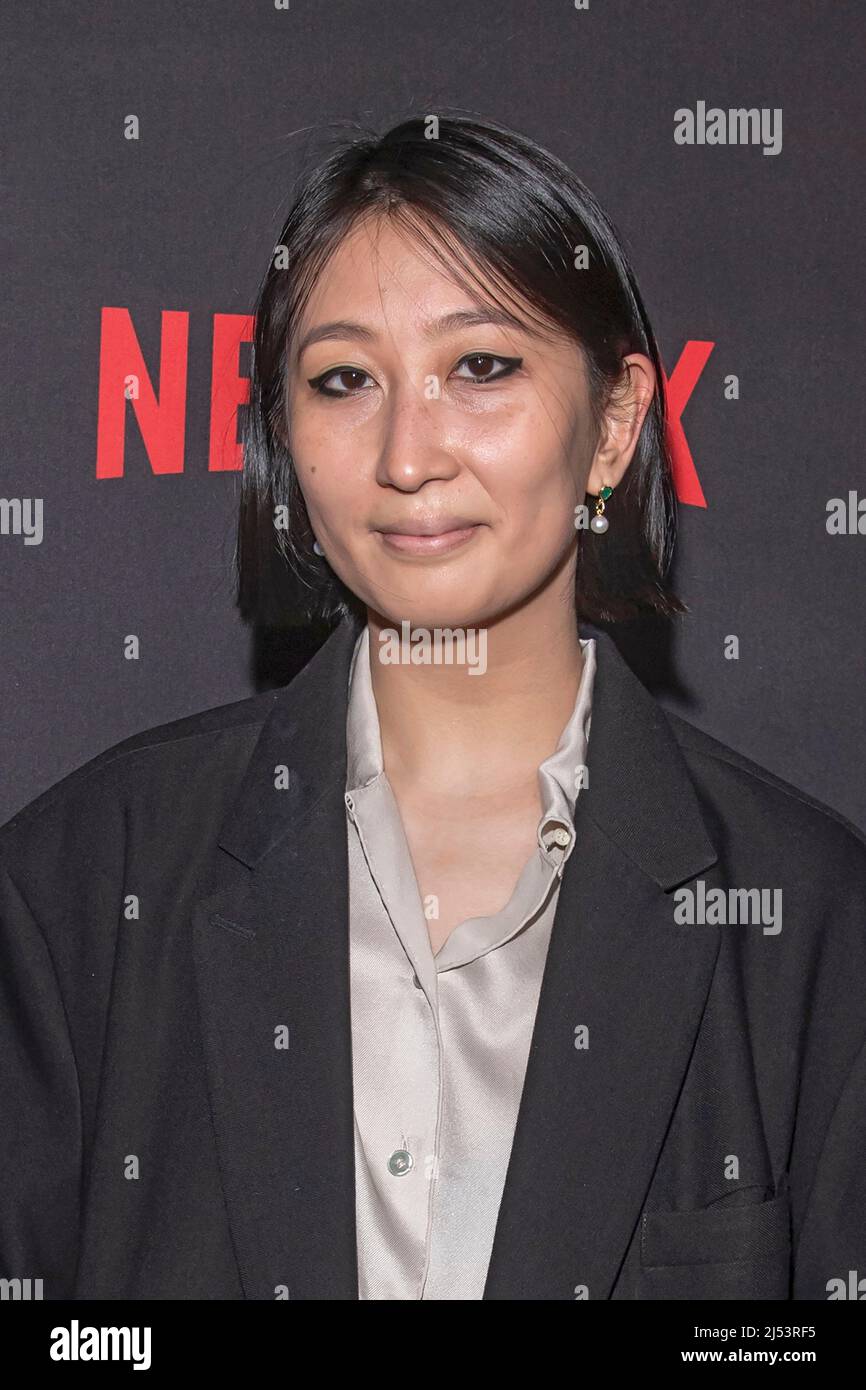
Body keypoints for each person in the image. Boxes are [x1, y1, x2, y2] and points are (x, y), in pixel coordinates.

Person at [2, 114, 865, 1301]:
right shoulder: (84, 880)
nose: (409, 453)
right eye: (344, 380)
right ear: (284, 438)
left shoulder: (806, 915)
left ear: (613, 425)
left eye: (482, 367)